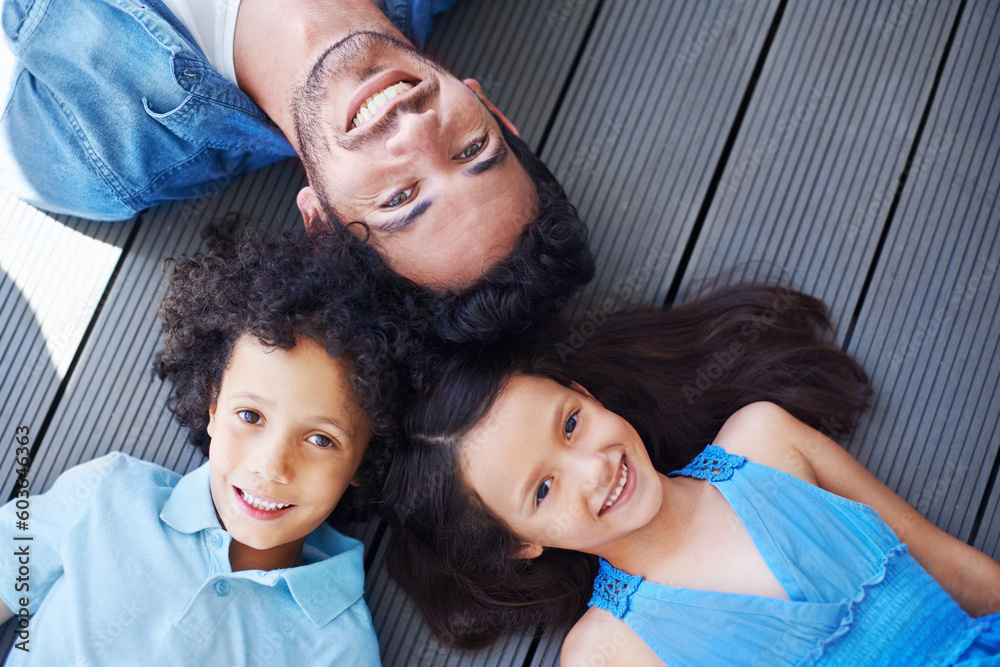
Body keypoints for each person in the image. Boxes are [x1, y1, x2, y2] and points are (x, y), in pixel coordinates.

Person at [382, 284, 1000, 665]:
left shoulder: (765, 439)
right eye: (543, 490)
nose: (594, 469)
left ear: (585, 393)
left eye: (570, 424)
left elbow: (960, 572)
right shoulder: (608, 653)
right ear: (522, 541)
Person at [0, 0, 594, 304]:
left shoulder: (101, 155)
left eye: (401, 197)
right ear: (494, 112)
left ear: (323, 223)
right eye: (471, 149)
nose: (413, 132)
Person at [0, 227, 401, 665]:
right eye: (250, 416)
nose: (271, 466)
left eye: (321, 439)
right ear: (213, 405)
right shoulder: (105, 494)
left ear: (365, 457)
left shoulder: (340, 649)